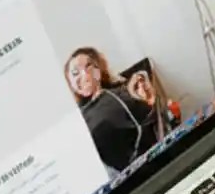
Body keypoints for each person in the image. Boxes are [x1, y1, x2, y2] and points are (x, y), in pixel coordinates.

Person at [63, 47, 163, 175]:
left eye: (89, 66)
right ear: (70, 83)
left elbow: (147, 114)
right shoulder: (76, 119)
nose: (84, 74)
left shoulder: (120, 95)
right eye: (75, 73)